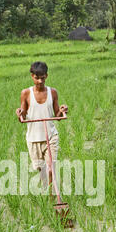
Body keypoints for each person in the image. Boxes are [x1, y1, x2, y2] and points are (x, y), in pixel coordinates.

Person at [16, 61, 68, 195]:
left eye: (42, 78)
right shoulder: (26, 93)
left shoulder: (53, 92)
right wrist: (20, 114)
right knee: (41, 169)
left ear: (47, 76)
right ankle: (46, 189)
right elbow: (24, 114)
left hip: (50, 136)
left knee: (51, 168)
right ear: (32, 76)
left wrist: (62, 111)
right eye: (37, 78)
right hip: (33, 138)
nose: (40, 81)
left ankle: (53, 196)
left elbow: (57, 115)